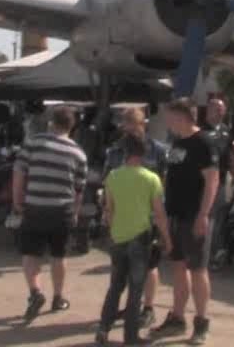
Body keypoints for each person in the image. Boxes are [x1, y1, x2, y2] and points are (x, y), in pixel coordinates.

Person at [150, 97, 219, 345]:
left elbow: (212, 180)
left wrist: (203, 215)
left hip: (194, 216)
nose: (166, 121)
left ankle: (201, 323)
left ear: (181, 116)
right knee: (178, 266)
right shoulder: (177, 142)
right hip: (175, 215)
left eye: (169, 116)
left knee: (198, 269)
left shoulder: (204, 142)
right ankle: (177, 318)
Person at [12, 104, 88, 323]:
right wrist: (74, 212)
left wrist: (18, 201)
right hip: (62, 210)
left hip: (35, 206)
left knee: (30, 254)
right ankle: (58, 297)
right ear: (72, 126)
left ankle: (35, 293)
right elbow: (79, 189)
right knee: (59, 255)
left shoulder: (33, 143)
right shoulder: (78, 153)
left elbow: (18, 172)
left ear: (51, 122)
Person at [96, 135, 173, 346]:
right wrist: (167, 239)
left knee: (115, 286)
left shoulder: (112, 176)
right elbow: (159, 213)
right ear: (144, 154)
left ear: (126, 153)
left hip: (118, 238)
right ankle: (130, 337)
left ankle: (103, 328)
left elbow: (109, 209)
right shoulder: (151, 178)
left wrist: (113, 232)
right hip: (141, 239)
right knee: (135, 290)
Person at [200, 98, 234, 266]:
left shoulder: (226, 131)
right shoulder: (201, 132)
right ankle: (203, 253)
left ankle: (216, 252)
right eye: (218, 109)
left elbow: (230, 155)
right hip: (203, 184)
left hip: (221, 182)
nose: (221, 113)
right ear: (209, 111)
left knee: (219, 216)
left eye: (223, 110)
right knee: (207, 216)